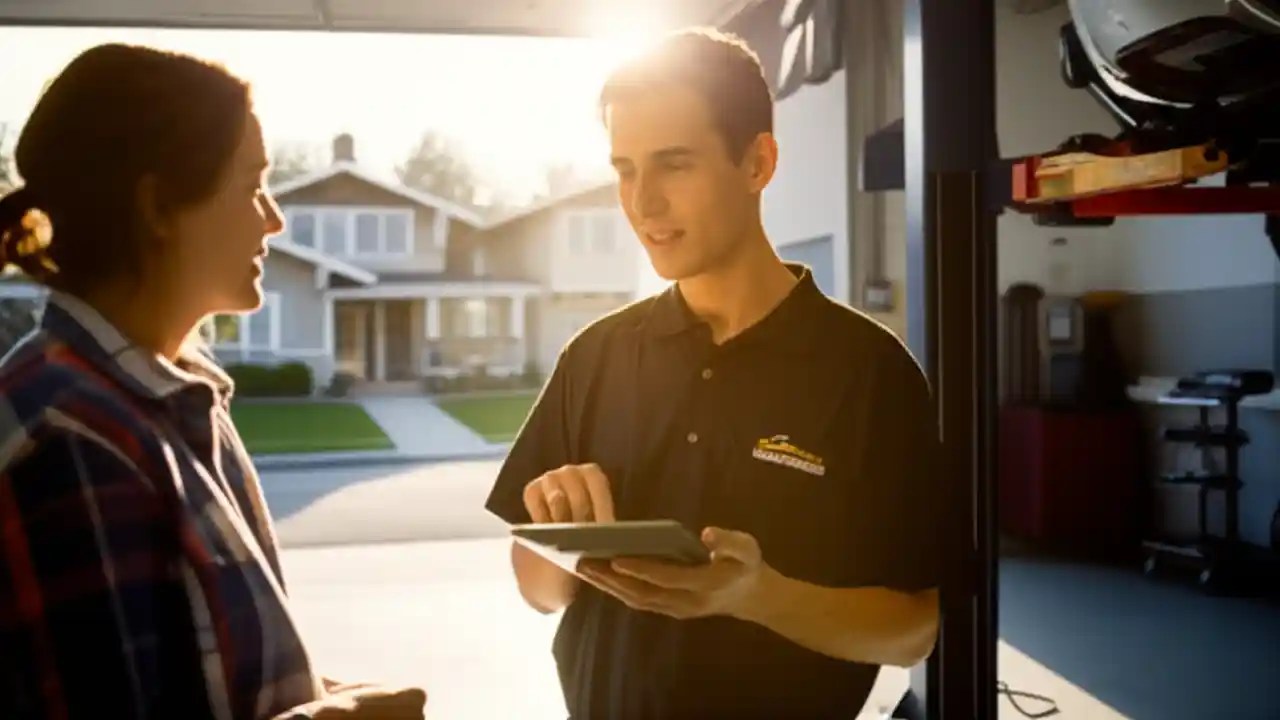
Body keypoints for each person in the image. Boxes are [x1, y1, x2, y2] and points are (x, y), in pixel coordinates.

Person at [485, 28, 941, 719]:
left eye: (674, 165)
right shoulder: (596, 356)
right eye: (625, 169)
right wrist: (557, 533)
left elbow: (916, 628)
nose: (643, 203)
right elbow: (540, 592)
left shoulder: (871, 373)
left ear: (758, 162)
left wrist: (759, 596)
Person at [0, 44, 425, 719]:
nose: (275, 219)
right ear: (158, 207)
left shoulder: (181, 402)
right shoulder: (65, 441)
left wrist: (326, 696)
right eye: (253, 185)